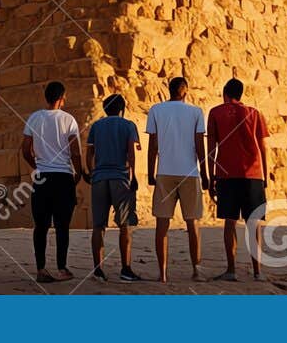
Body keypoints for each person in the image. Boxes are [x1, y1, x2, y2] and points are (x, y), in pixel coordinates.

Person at [21, 80, 85, 283]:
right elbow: (75, 151)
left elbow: (25, 149)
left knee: (40, 226)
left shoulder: (34, 118)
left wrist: (37, 165)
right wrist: (78, 172)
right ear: (62, 98)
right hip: (63, 178)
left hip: (42, 177)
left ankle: (41, 269)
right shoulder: (69, 120)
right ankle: (62, 268)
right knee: (62, 226)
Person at [145, 75, 208, 282]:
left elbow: (153, 145)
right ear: (185, 91)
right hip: (190, 172)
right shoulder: (196, 112)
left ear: (169, 90)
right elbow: (200, 146)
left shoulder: (156, 110)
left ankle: (163, 273)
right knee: (193, 223)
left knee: (162, 224)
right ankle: (196, 270)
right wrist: (205, 173)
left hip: (165, 172)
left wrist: (151, 173)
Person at [207, 77, 270, 280]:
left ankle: (231, 270)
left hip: (227, 174)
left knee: (230, 222)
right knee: (254, 223)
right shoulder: (255, 113)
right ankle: (258, 272)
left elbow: (211, 148)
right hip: (253, 174)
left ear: (225, 93)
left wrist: (211, 176)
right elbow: (263, 147)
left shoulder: (215, 113)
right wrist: (265, 175)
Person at [84, 93, 143, 282]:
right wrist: (133, 176)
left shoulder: (96, 126)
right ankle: (126, 269)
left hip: (100, 178)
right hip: (120, 178)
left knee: (98, 226)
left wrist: (91, 172)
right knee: (125, 225)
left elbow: (89, 152)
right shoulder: (128, 125)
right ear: (122, 109)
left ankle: (98, 270)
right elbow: (131, 152)